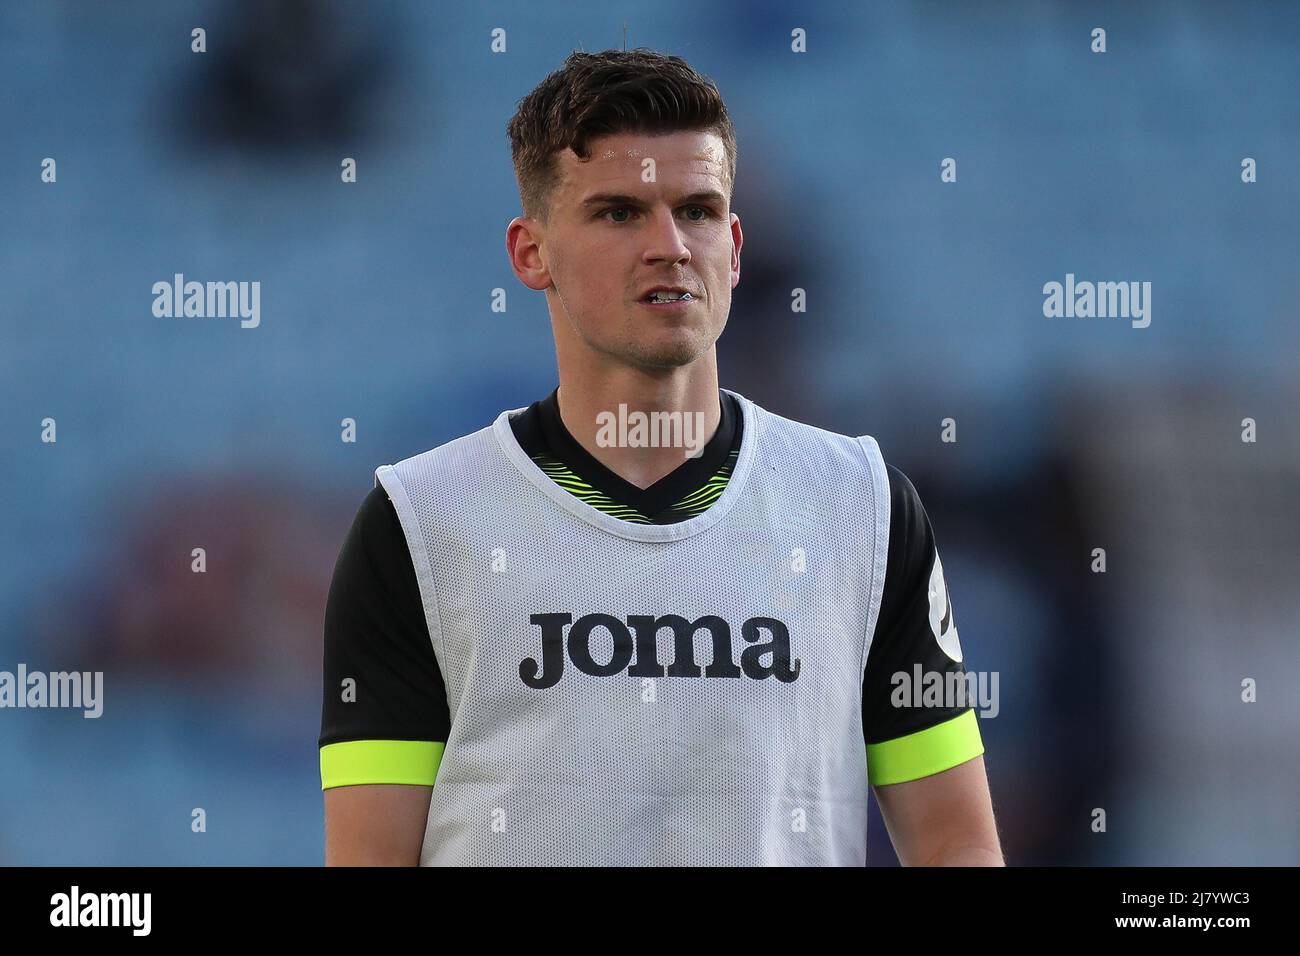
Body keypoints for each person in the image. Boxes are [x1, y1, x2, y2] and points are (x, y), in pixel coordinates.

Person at [319, 48, 1002, 866]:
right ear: (530, 252)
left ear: (737, 246)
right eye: (619, 213)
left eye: (699, 211)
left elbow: (956, 845)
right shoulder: (422, 526)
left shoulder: (864, 508)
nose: (670, 246)